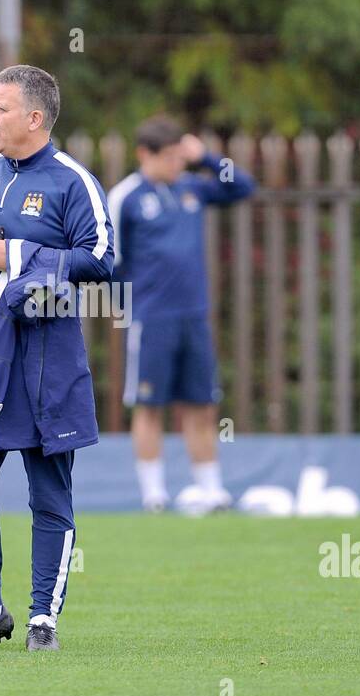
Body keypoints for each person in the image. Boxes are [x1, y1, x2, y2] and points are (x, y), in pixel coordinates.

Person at [0, 65, 113, 652]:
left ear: (34, 118)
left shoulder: (71, 182)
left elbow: (101, 260)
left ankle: (43, 622)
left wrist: (19, 253)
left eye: (0, 108)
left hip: (44, 355)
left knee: (47, 495)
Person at [106, 115, 255, 513]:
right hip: (150, 318)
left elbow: (242, 186)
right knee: (148, 404)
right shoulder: (126, 196)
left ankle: (211, 490)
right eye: (169, 157)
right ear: (144, 154)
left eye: (180, 157)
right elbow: (109, 262)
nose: (177, 165)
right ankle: (154, 494)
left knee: (201, 405)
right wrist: (127, 311)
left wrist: (205, 155)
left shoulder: (192, 188)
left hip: (194, 316)